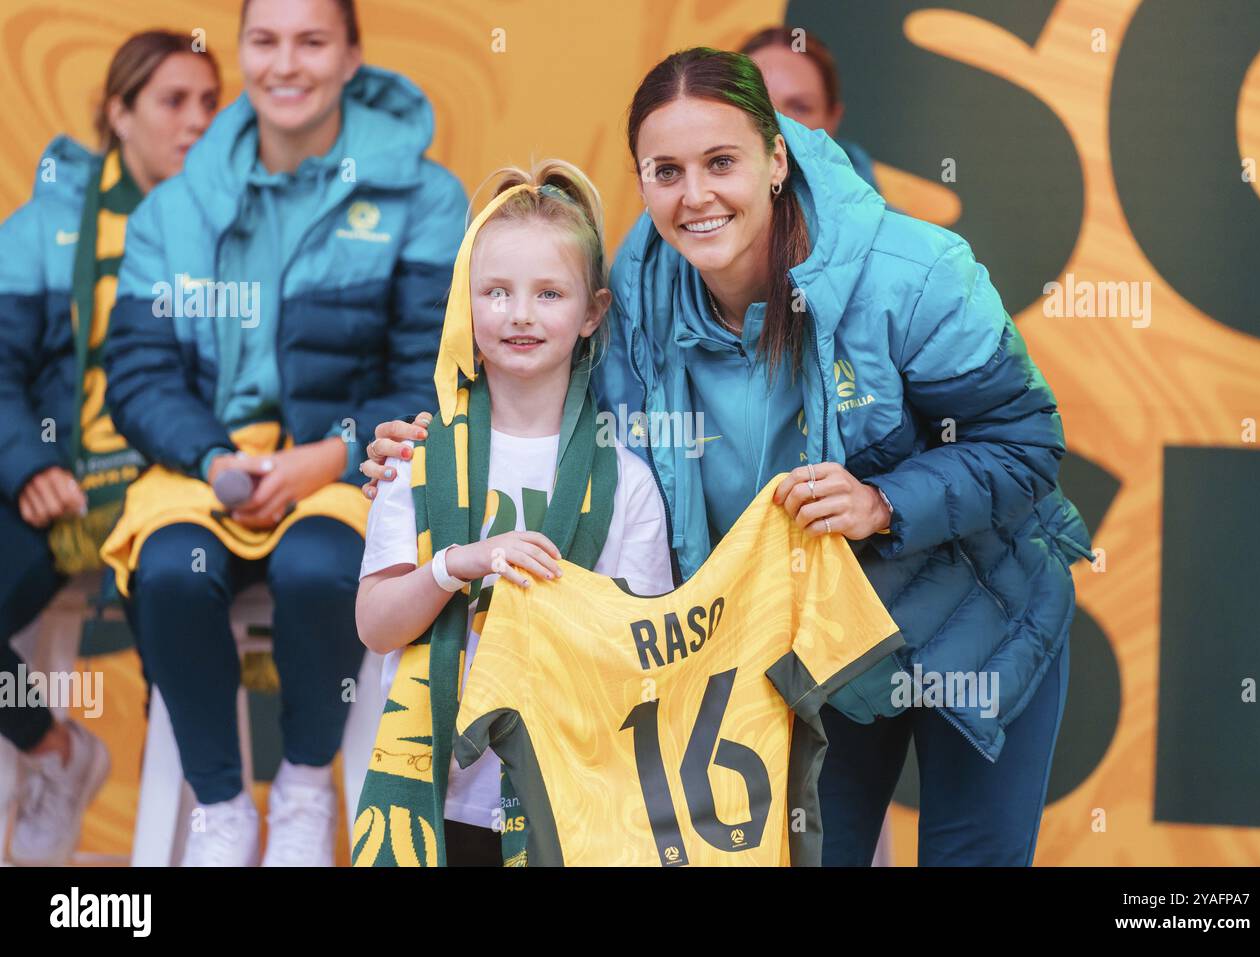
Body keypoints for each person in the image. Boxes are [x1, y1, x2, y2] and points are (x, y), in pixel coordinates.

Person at [363, 48, 1094, 866]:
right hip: (810, 649)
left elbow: (1026, 442)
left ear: (776, 156)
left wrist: (884, 503)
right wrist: (438, 444)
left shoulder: (915, 272)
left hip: (976, 621)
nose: (695, 195)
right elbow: (546, 389)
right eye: (665, 170)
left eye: (721, 162)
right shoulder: (633, 286)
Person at [99, 0, 466, 866]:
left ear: (351, 57)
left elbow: (430, 376)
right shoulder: (174, 208)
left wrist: (330, 455)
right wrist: (214, 457)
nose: (286, 64)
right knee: (170, 573)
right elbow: (141, 376)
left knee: (318, 570)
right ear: (241, 54)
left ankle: (304, 790)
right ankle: (222, 808)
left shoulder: (423, 195)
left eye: (312, 41)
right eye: (264, 41)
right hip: (206, 464)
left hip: (355, 466)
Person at [353, 161, 673, 867]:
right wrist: (451, 566)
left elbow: (642, 662)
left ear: (592, 312)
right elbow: (377, 626)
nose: (520, 313)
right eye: (495, 292)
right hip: (435, 797)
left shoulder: (627, 481)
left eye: (548, 293)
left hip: (570, 795)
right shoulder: (417, 460)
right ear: (466, 305)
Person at [0, 31, 220, 867]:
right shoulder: (51, 219)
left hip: (176, 484)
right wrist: (28, 463)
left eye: (210, 102)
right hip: (60, 477)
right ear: (118, 114)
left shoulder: (235, 219)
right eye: (173, 102)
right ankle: (55, 748)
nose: (196, 121)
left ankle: (196, 834)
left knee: (182, 620)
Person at [740, 26, 880, 192]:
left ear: (832, 120)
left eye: (800, 108)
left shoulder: (885, 217)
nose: (775, 123)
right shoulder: (705, 208)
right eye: (754, 103)